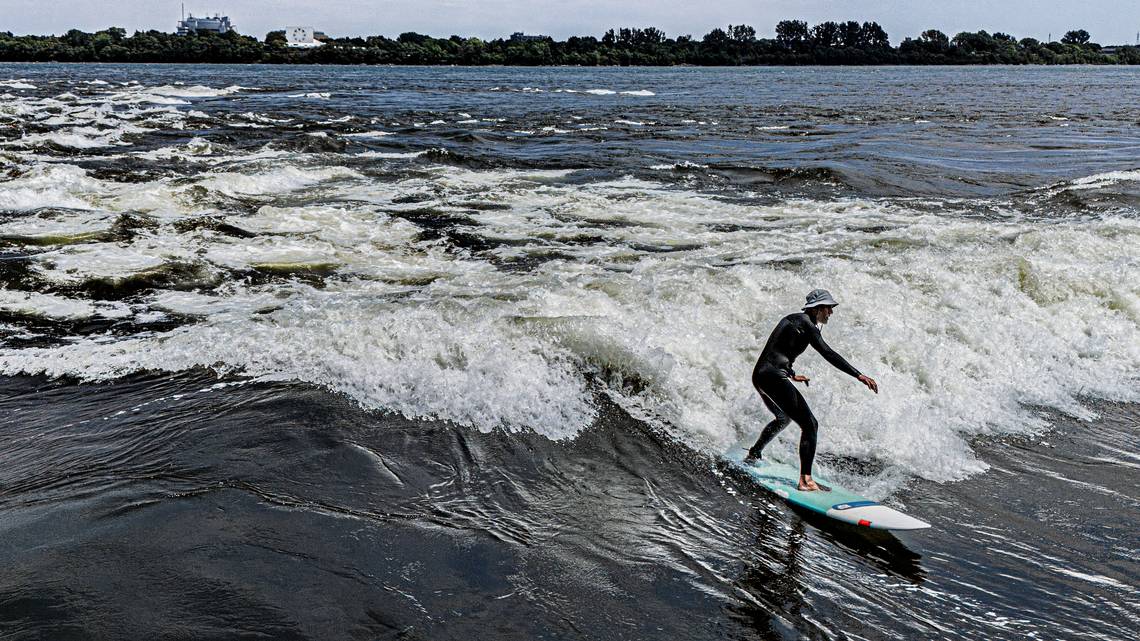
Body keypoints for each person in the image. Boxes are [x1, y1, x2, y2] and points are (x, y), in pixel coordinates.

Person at [745, 289, 878, 491]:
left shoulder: (796, 322)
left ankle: (754, 453)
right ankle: (805, 480)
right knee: (810, 424)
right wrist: (858, 375)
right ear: (817, 309)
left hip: (763, 375)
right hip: (772, 376)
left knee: (783, 418)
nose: (831, 313)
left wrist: (790, 373)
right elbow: (827, 352)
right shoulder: (805, 323)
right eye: (829, 308)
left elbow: (779, 351)